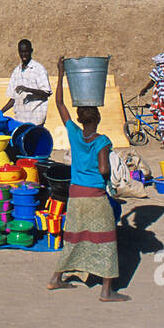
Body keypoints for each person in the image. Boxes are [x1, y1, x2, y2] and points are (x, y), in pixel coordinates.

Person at [47, 56, 127, 302]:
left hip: (75, 194)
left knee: (74, 236)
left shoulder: (73, 132)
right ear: (98, 118)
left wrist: (61, 72)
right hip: (94, 195)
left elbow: (59, 103)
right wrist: (107, 175)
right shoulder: (102, 141)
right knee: (105, 240)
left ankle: (56, 279)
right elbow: (104, 170)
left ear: (81, 119)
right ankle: (106, 290)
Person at [0, 39, 51, 124]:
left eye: (26, 52)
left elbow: (46, 93)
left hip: (35, 121)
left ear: (31, 51)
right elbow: (13, 98)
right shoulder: (16, 71)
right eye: (21, 52)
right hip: (20, 120)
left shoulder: (38, 69)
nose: (23, 55)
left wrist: (28, 90)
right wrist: (0, 112)